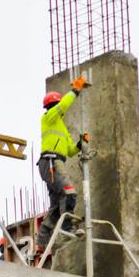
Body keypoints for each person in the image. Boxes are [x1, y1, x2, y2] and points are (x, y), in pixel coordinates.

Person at [36, 77, 87, 263]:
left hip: (57, 163)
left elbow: (70, 151)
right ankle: (66, 229)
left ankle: (41, 241)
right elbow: (63, 106)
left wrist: (81, 144)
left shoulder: (61, 128)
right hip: (50, 163)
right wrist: (75, 91)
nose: (60, 109)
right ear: (53, 106)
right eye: (57, 105)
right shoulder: (48, 118)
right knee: (70, 193)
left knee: (57, 206)